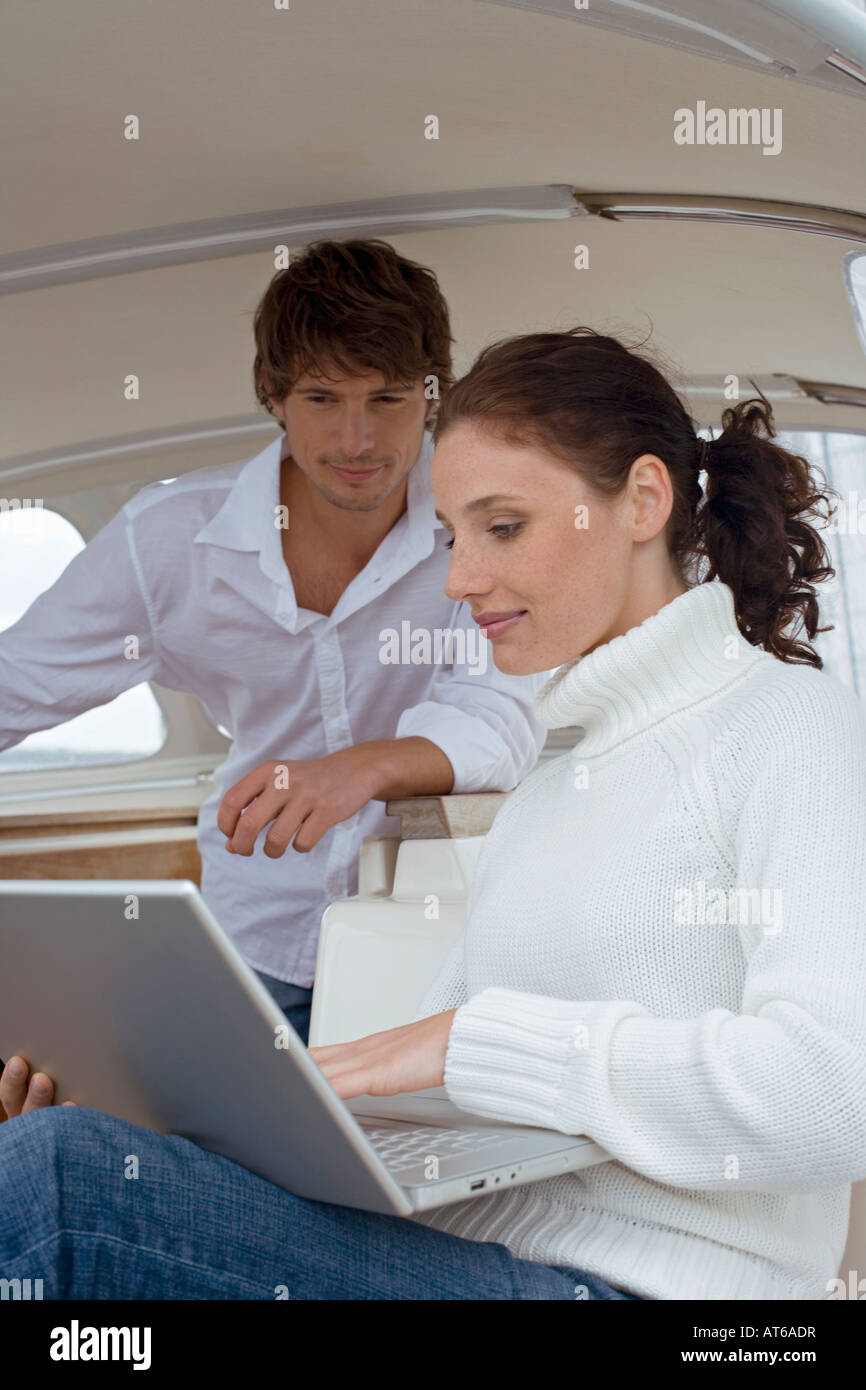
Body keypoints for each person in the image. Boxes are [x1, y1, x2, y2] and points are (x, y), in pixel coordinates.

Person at [3, 326, 865, 1301]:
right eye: (453, 537)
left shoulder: (786, 723)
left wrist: (477, 1040)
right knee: (78, 1145)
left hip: (646, 1287)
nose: (458, 581)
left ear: (640, 500)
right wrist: (179, 1125)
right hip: (466, 1254)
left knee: (64, 1187)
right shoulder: (551, 773)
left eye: (501, 528)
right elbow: (449, 1105)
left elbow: (836, 1089)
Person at [0, 239, 547, 1046]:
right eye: (324, 399)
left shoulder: (482, 521)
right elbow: (15, 684)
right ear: (272, 392)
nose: (358, 441)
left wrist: (356, 771)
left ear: (434, 397)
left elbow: (501, 721)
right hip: (253, 935)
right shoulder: (168, 542)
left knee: (396, 1171)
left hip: (439, 937)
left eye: (388, 398)